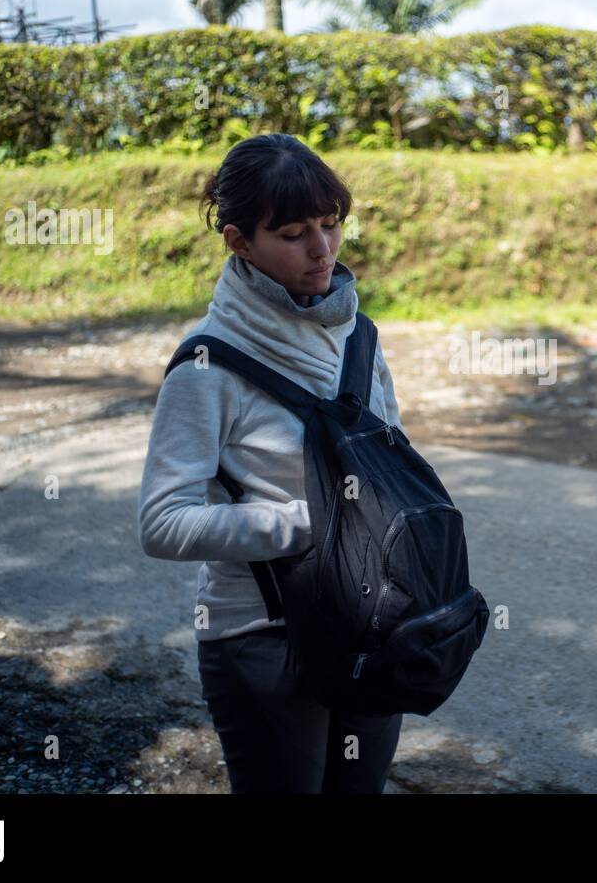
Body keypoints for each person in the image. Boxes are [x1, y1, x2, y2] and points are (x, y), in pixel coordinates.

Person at [137, 133, 404, 793]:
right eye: (292, 232)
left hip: (369, 625)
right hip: (261, 641)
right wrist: (301, 523)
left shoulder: (359, 337)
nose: (321, 249)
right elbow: (163, 523)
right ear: (238, 241)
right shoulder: (207, 367)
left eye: (331, 224)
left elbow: (392, 461)